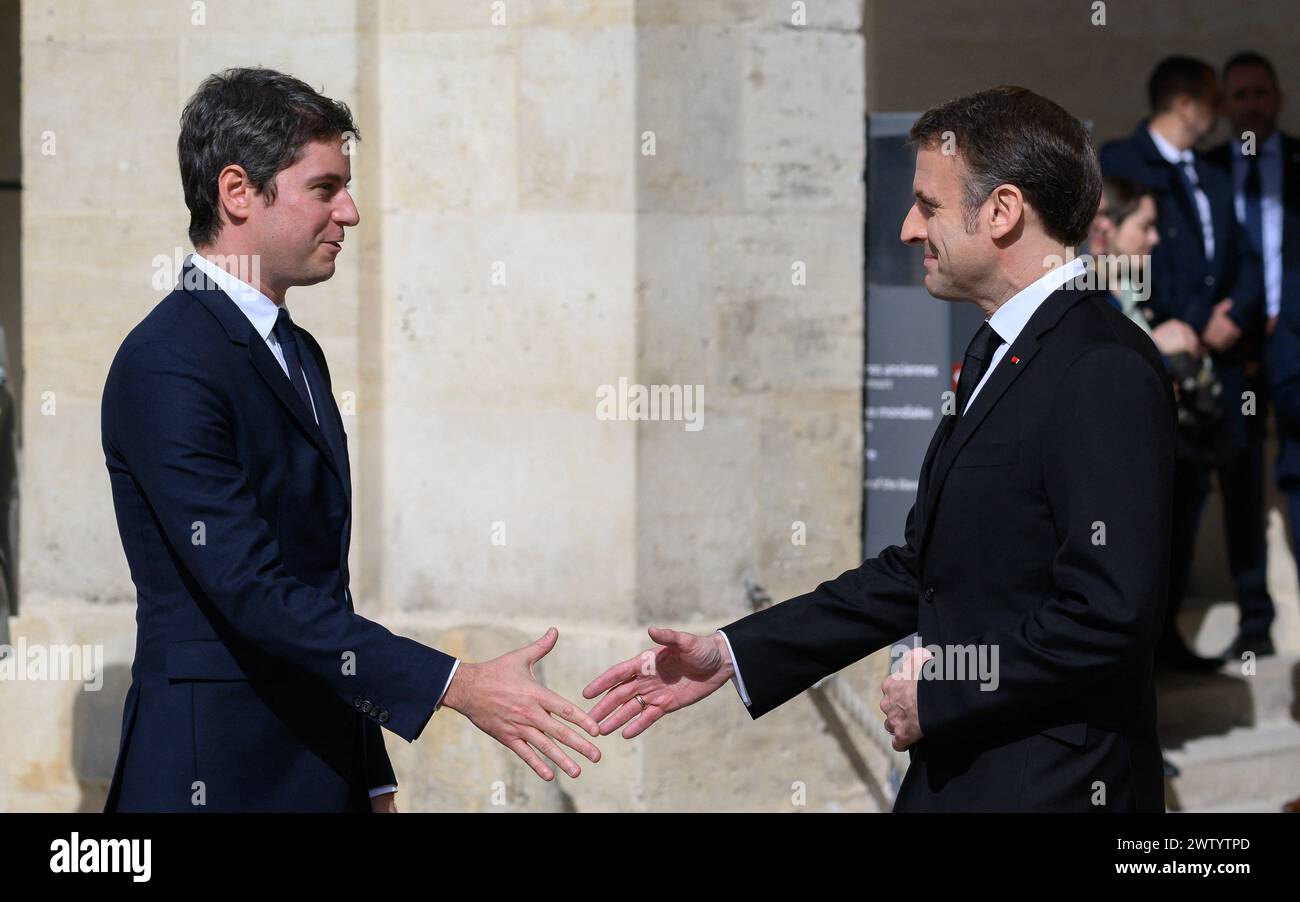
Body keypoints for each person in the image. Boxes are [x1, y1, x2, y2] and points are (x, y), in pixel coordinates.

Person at [585, 87, 1175, 812]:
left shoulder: (1099, 368)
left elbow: (1110, 613)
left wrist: (945, 691)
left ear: (1001, 212)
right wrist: (737, 654)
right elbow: (921, 570)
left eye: (927, 204)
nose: (905, 228)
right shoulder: (1003, 352)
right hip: (960, 777)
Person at [100, 68, 601, 812]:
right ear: (238, 192)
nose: (351, 212)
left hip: (319, 768)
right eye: (325, 188)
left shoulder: (299, 352)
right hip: (216, 775)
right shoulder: (166, 362)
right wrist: (457, 685)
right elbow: (251, 591)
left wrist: (369, 769)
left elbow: (319, 589)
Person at [1100, 56, 1265, 673]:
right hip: (1159, 354)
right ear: (1187, 104)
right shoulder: (1122, 163)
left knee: (1216, 489)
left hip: (1216, 364)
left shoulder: (1216, 172)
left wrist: (1234, 315)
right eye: (1214, 102)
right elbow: (1123, 259)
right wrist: (1175, 326)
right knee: (1161, 507)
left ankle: (1177, 635)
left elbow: (1247, 257)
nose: (1220, 116)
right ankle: (1148, 642)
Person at [1205, 50, 1300, 658]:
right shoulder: (1208, 169)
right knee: (1238, 481)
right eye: (1238, 95)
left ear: (1278, 98)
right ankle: (1254, 622)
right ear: (1222, 105)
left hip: (1293, 344)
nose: (1251, 105)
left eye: (1260, 93)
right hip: (1230, 348)